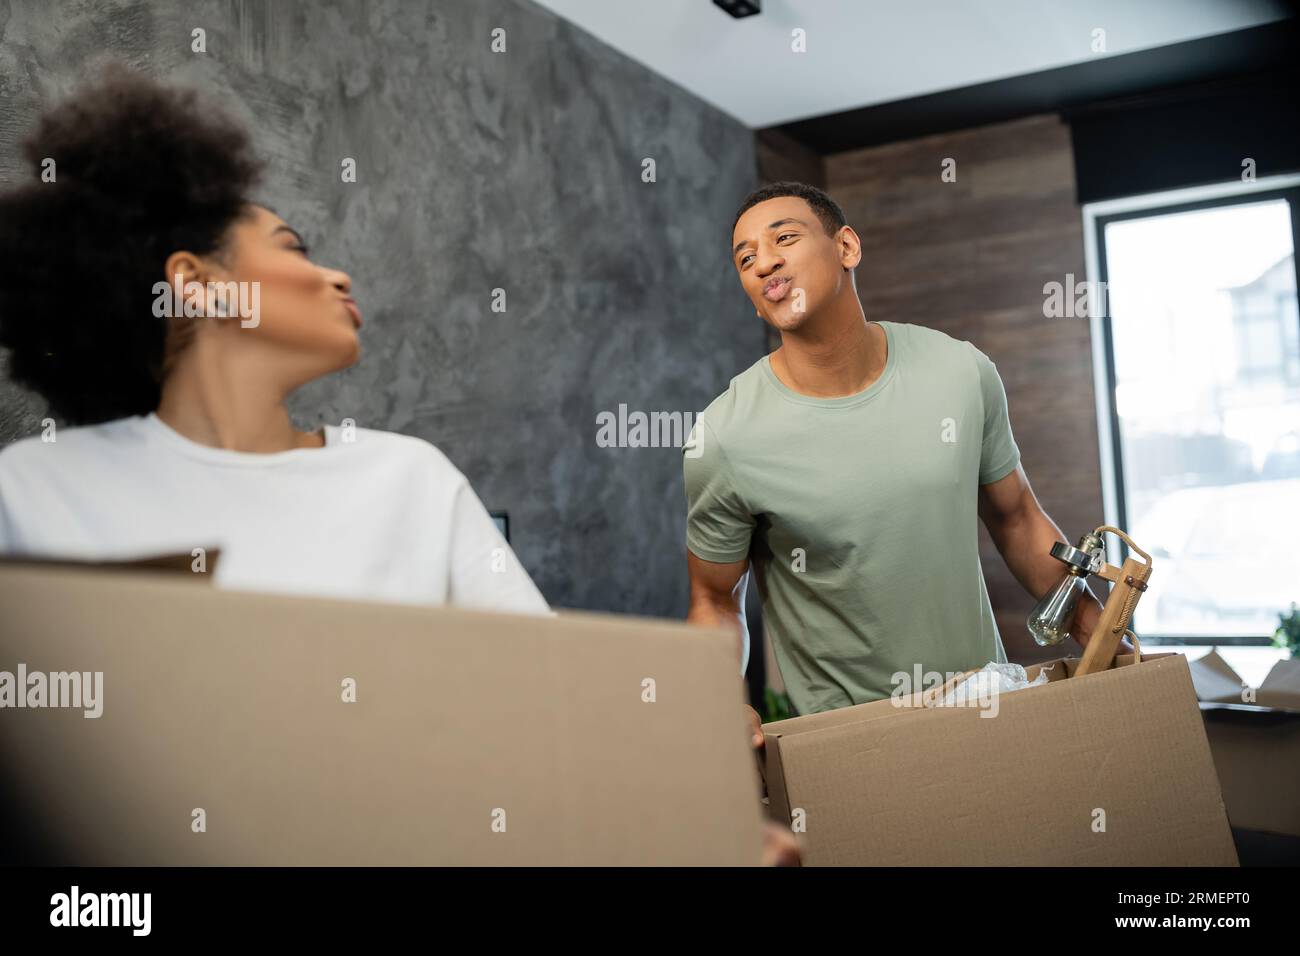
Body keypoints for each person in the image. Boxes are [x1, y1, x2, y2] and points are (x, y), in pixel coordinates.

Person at [0, 65, 545, 614]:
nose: (340, 277)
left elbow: (537, 678)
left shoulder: (413, 479)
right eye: (294, 248)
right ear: (197, 284)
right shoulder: (32, 487)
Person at [685, 181, 1130, 744]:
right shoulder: (725, 435)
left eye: (784, 239)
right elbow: (712, 597)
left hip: (987, 706)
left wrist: (1092, 621)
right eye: (746, 258)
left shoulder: (960, 372)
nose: (764, 261)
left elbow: (1016, 517)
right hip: (844, 742)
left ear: (846, 247)